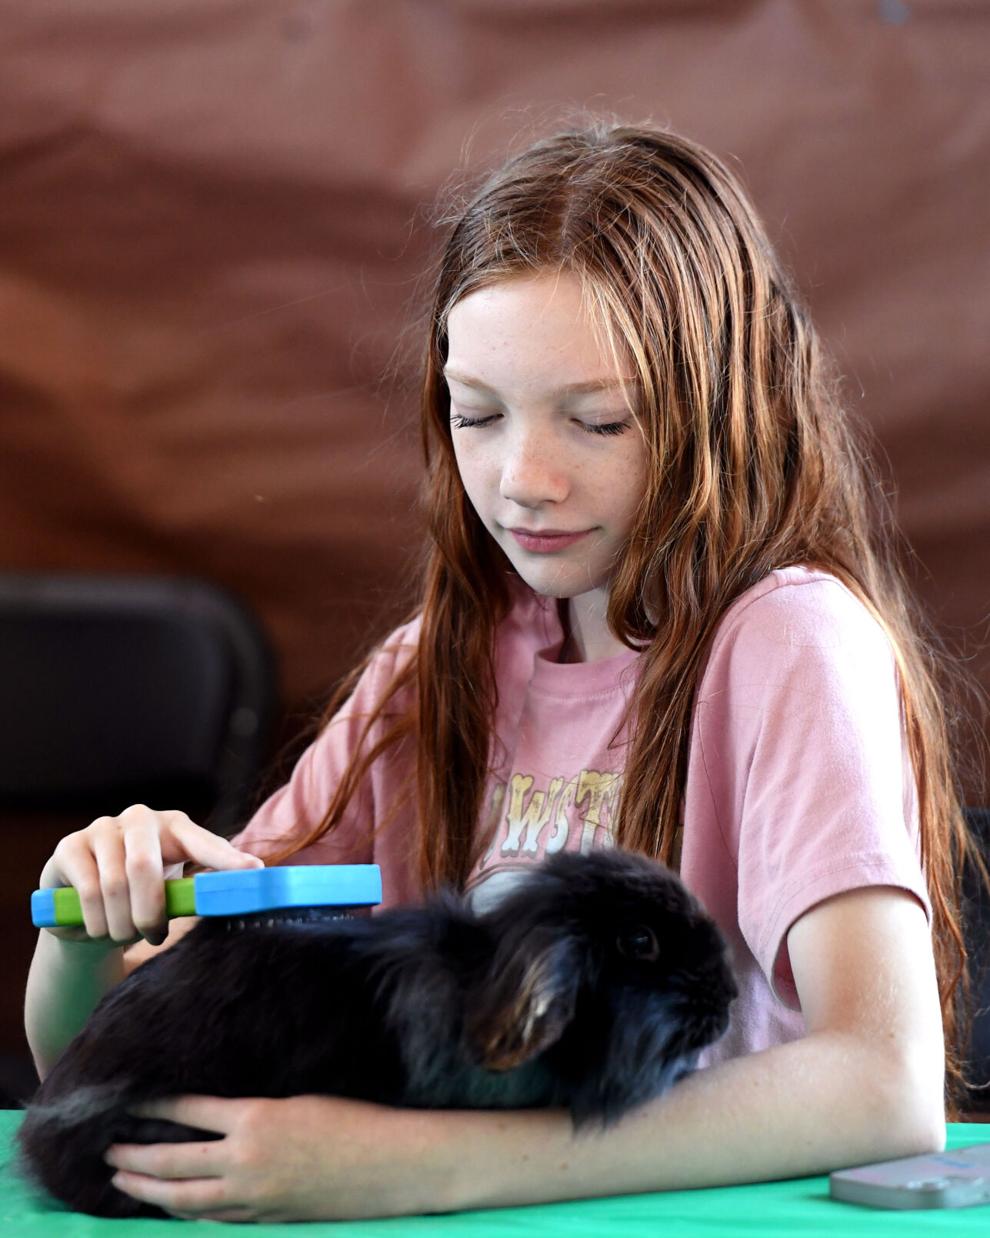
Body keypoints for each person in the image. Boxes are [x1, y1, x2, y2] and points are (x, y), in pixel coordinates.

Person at [23, 122, 980, 1223]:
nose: (524, 477)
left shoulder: (790, 642)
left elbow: (887, 1083)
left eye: (599, 418)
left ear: (724, 407)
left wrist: (425, 1160)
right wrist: (85, 932)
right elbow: (96, 1069)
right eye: (476, 413)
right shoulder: (429, 671)